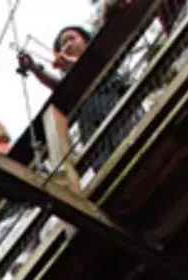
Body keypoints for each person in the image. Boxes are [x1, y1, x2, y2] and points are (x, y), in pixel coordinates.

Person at [17, 25, 133, 171]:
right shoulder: (73, 84)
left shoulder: (102, 54)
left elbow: (94, 65)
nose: (67, 45)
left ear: (86, 42)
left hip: (124, 117)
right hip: (95, 137)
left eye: (71, 38)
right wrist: (33, 67)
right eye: (63, 45)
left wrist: (70, 61)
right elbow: (59, 87)